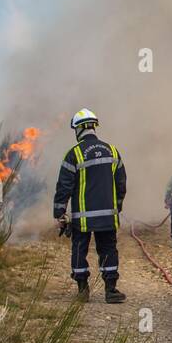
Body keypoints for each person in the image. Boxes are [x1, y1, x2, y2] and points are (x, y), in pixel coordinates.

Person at [53, 108, 126, 303]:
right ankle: (111, 291)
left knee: (79, 249)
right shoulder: (112, 151)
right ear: (94, 127)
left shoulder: (74, 154)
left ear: (78, 129)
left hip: (82, 218)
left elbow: (64, 186)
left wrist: (60, 213)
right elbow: (121, 184)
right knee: (108, 248)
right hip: (107, 216)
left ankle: (82, 290)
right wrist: (117, 207)